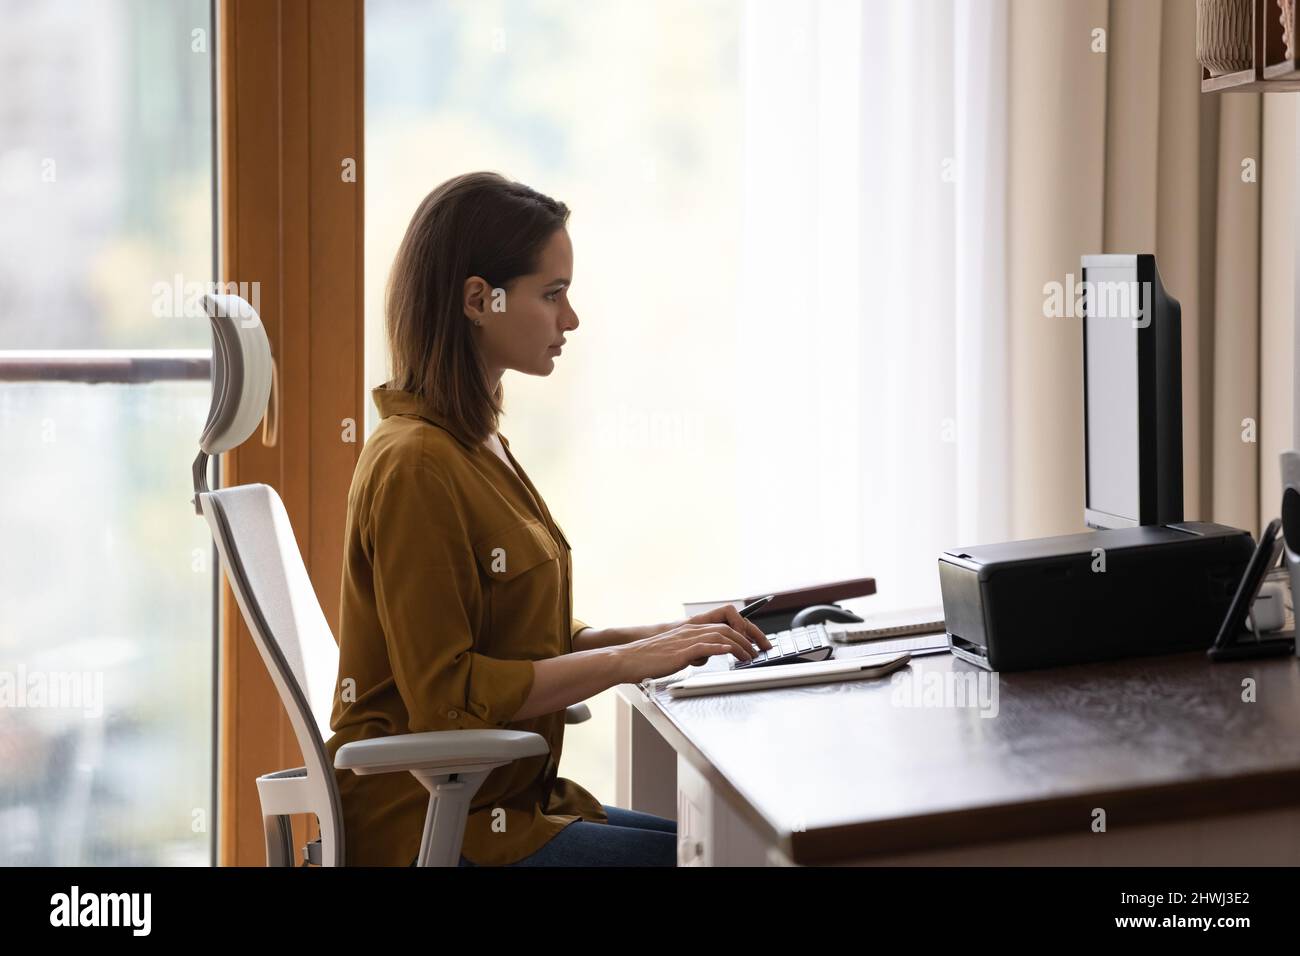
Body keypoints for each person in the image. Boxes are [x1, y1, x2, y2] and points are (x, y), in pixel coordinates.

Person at [323, 171, 771, 867]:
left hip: (508, 809)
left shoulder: (476, 444)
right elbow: (446, 700)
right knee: (735, 857)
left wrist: (665, 636)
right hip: (433, 830)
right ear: (480, 299)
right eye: (553, 293)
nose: (571, 319)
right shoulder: (416, 464)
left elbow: (512, 640)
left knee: (738, 846)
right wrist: (625, 662)